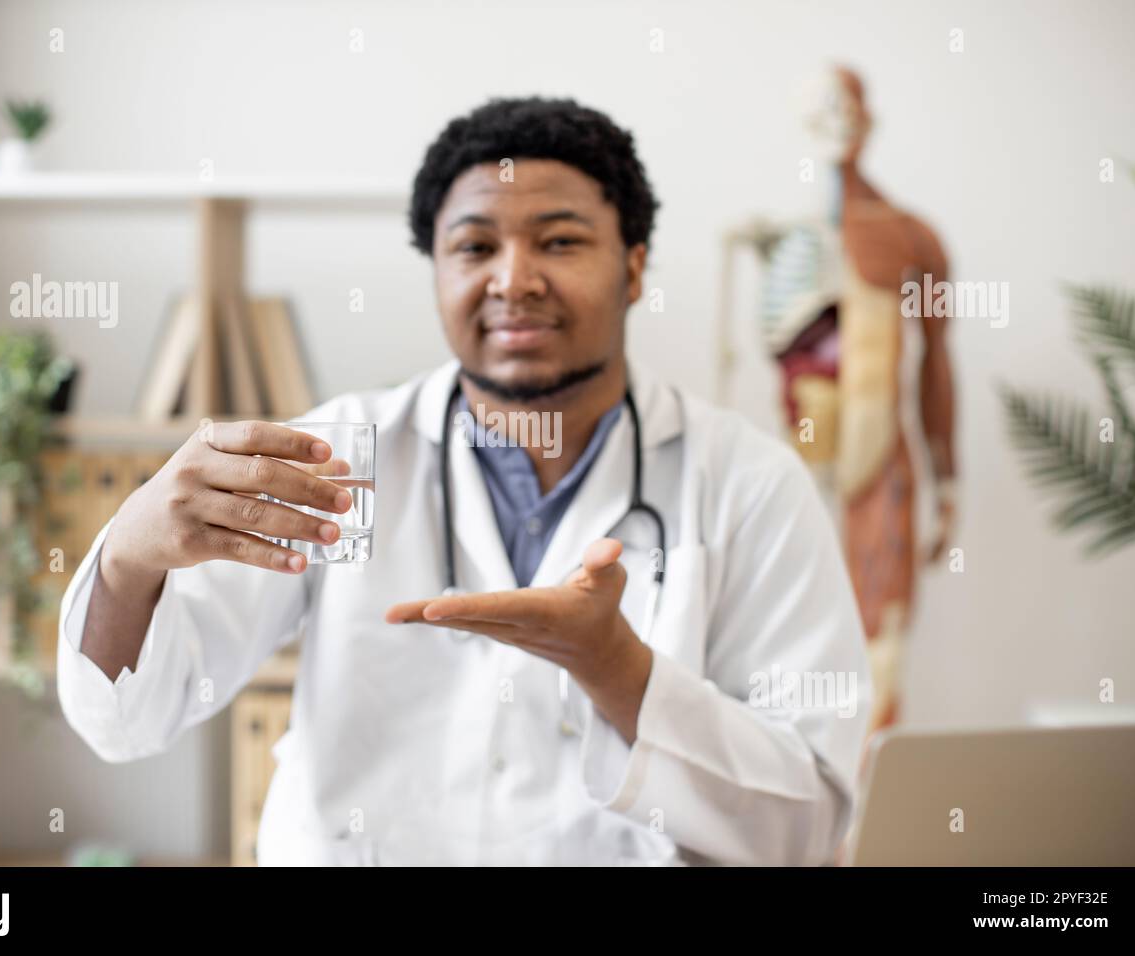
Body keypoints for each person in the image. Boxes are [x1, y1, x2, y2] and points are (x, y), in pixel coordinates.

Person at [57, 96, 872, 866]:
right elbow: (126, 718)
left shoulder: (751, 483)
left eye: (558, 242)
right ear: (438, 269)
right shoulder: (334, 454)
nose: (513, 280)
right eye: (475, 247)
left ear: (633, 267)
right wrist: (131, 557)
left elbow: (806, 824)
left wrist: (617, 668)